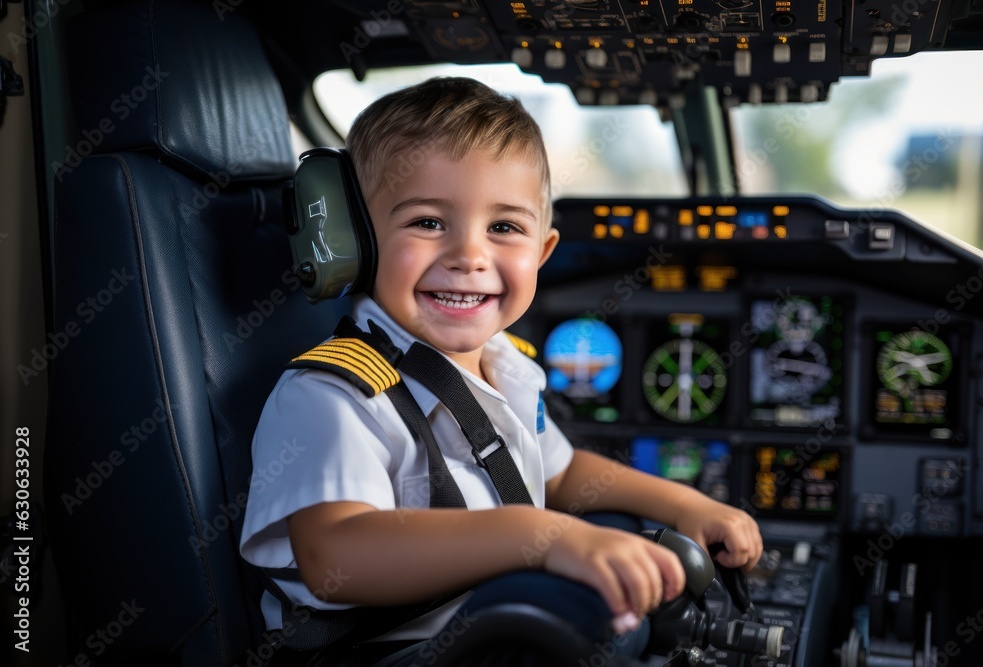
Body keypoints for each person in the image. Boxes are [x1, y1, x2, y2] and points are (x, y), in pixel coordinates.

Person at [240, 76, 762, 664]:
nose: (469, 255)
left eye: (505, 227)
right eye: (427, 222)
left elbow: (565, 475)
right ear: (356, 241)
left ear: (542, 252)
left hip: (480, 630)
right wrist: (540, 537)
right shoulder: (334, 394)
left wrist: (686, 506)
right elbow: (337, 556)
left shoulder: (503, 367)